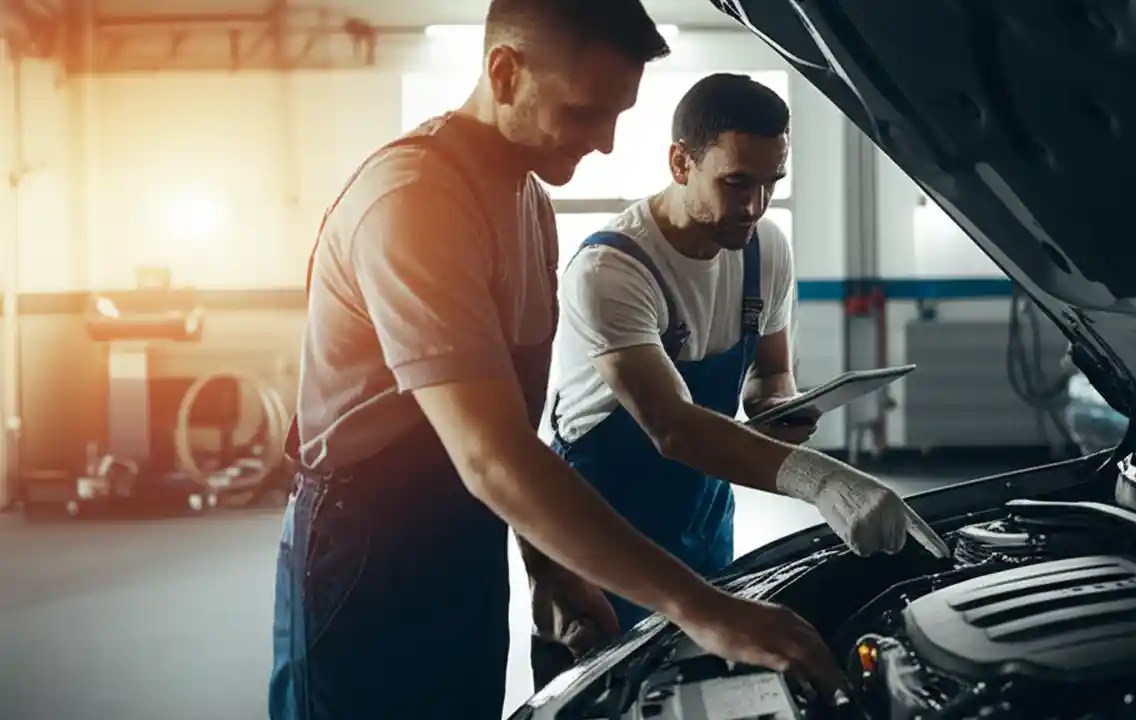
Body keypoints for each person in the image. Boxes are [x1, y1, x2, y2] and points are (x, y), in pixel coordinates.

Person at [269, 4, 859, 718]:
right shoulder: (414, 203)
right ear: (505, 72)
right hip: (364, 556)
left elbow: (514, 424)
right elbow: (491, 457)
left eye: (618, 115)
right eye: (585, 113)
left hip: (470, 538)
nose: (606, 144)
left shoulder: (529, 202)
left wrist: (548, 568)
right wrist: (706, 609)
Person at [538, 73, 948, 649]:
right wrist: (823, 481)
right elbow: (673, 426)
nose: (754, 205)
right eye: (735, 183)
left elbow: (770, 374)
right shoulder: (613, 270)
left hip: (702, 516)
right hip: (598, 532)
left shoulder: (765, 247)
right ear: (681, 163)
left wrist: (781, 406)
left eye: (771, 182)